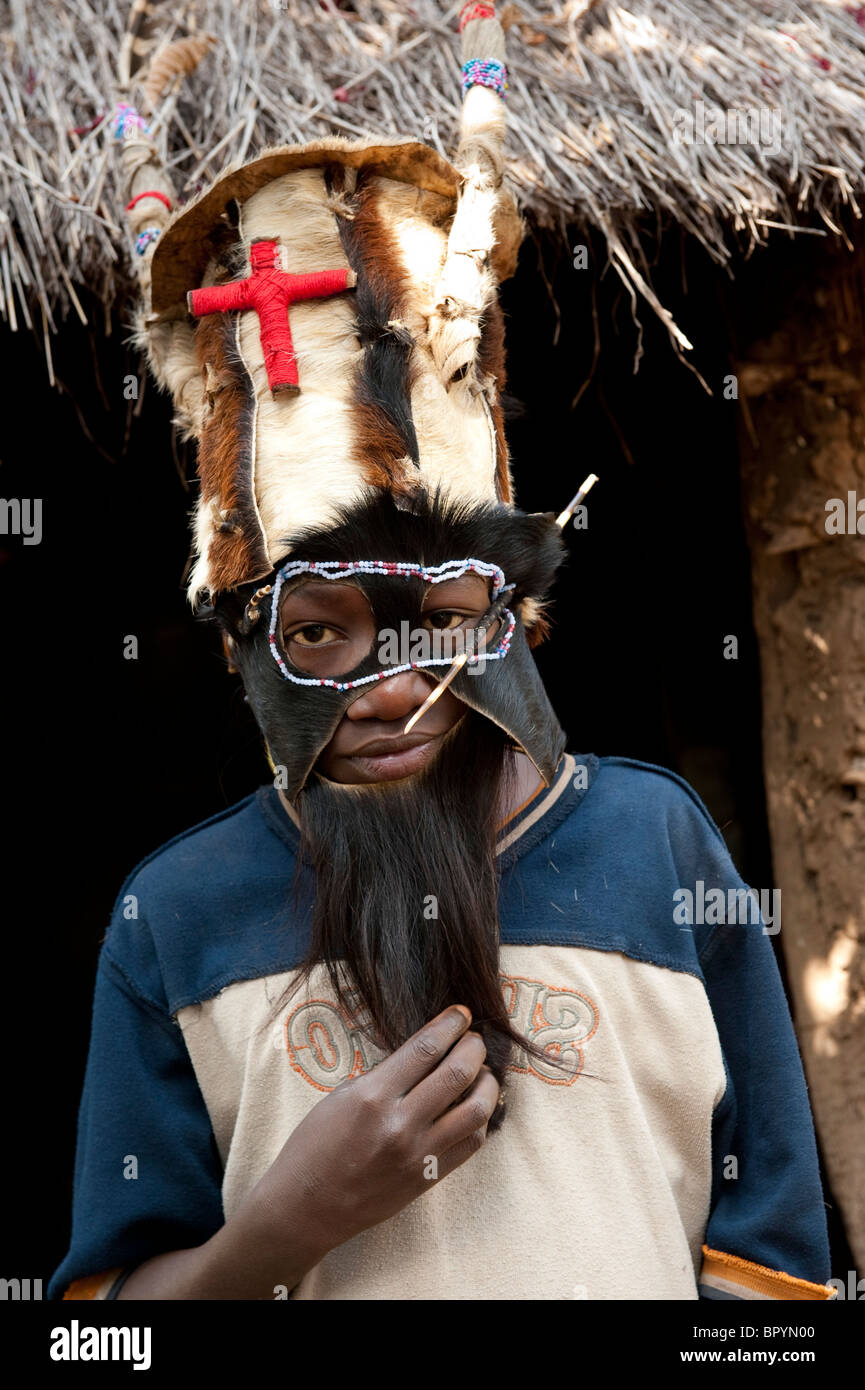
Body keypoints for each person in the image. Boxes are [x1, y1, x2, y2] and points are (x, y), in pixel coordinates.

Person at [49, 3, 834, 1302]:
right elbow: (95, 1338)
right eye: (318, 633)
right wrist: (281, 1227)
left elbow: (770, 1278)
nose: (397, 685)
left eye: (435, 618)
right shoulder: (172, 921)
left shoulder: (658, 849)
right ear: (247, 646)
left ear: (513, 612)